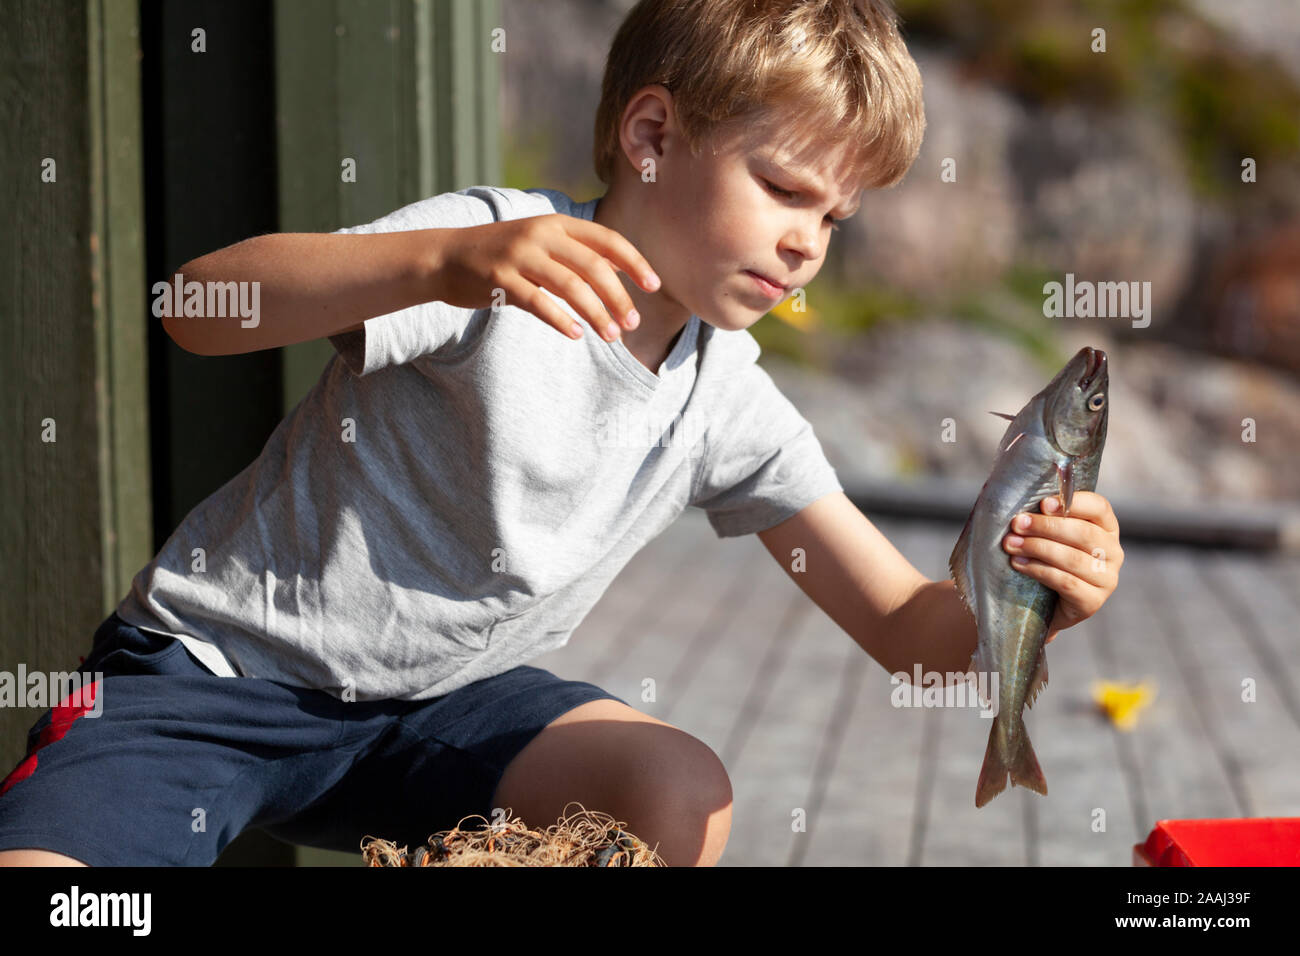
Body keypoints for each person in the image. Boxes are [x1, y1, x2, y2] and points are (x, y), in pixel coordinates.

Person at [0, 0, 1122, 867]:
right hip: (210, 679)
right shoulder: (492, 248)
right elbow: (194, 310)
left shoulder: (728, 402)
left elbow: (909, 635)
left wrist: (1045, 597)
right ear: (649, 134)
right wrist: (438, 264)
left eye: (834, 217)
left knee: (678, 790)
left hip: (433, 716)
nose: (805, 243)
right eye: (782, 188)